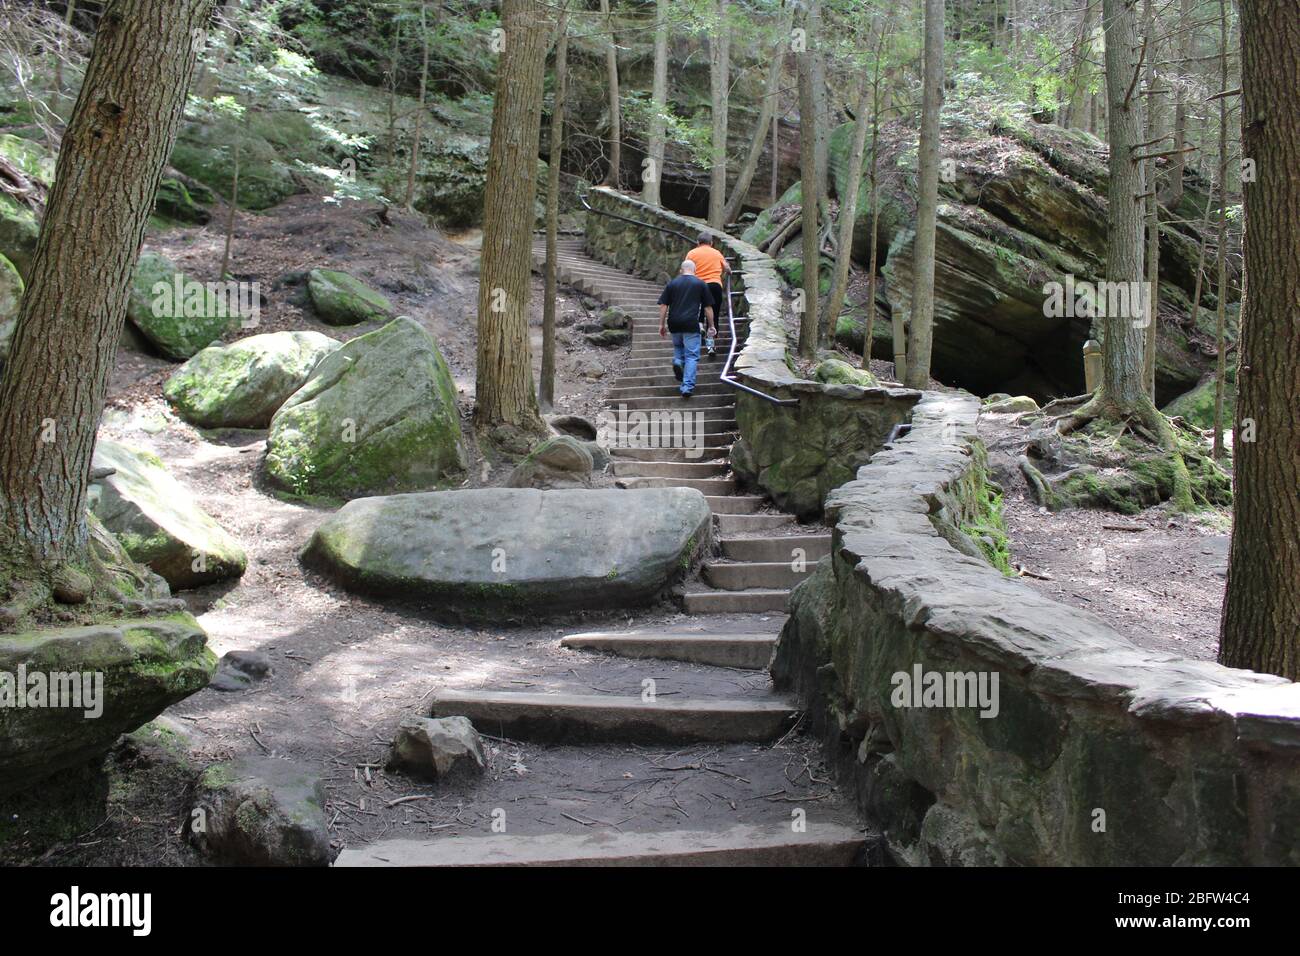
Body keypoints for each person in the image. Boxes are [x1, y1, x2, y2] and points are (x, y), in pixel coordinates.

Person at [657, 259, 715, 399]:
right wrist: (711, 326)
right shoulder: (700, 284)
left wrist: (661, 324)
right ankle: (687, 386)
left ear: (681, 270)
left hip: (674, 323)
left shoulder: (673, 283)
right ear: (694, 270)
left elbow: (664, 305)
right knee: (692, 356)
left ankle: (677, 362)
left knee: (678, 348)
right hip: (691, 323)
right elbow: (707, 307)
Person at [686, 233, 731, 358]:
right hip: (715, 285)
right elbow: (727, 269)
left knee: (699, 308)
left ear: (697, 242)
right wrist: (729, 271)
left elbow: (687, 270)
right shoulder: (717, 253)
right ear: (711, 243)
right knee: (714, 315)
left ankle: (699, 325)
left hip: (698, 284)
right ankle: (711, 345)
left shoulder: (691, 253)